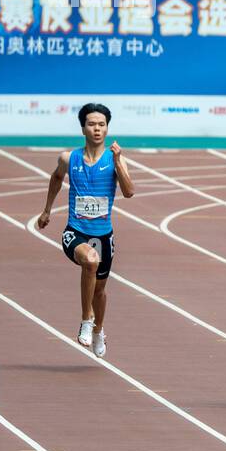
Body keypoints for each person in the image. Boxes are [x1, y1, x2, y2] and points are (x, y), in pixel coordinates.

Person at [36, 103, 135, 359]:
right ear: (83, 128)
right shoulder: (69, 158)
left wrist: (118, 163)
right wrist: (47, 210)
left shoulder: (115, 159)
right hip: (75, 232)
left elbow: (129, 191)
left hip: (103, 235)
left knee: (100, 291)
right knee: (89, 261)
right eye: (92, 124)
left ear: (107, 128)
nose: (97, 128)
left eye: (102, 124)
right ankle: (86, 320)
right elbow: (56, 178)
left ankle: (99, 330)